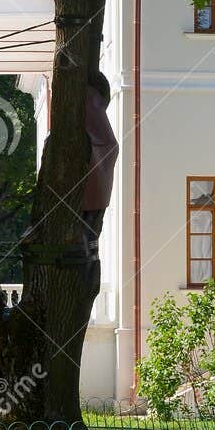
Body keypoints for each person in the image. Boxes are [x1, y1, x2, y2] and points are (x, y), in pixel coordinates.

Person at [81, 73, 119, 297]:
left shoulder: (89, 102)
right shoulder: (93, 106)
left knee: (86, 235)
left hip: (91, 194)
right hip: (93, 194)